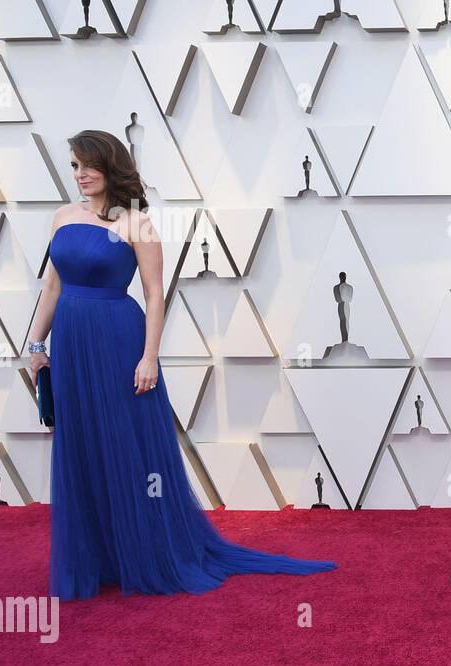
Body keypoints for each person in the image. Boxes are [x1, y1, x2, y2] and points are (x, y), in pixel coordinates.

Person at [26, 129, 336, 601]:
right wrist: (35, 344)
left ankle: (144, 551)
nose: (80, 174)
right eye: (73, 165)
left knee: (125, 445)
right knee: (82, 445)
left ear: (111, 168)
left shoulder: (138, 225)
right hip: (69, 342)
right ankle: (96, 554)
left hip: (117, 340)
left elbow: (154, 295)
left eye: (88, 165)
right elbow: (51, 288)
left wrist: (149, 356)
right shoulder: (62, 218)